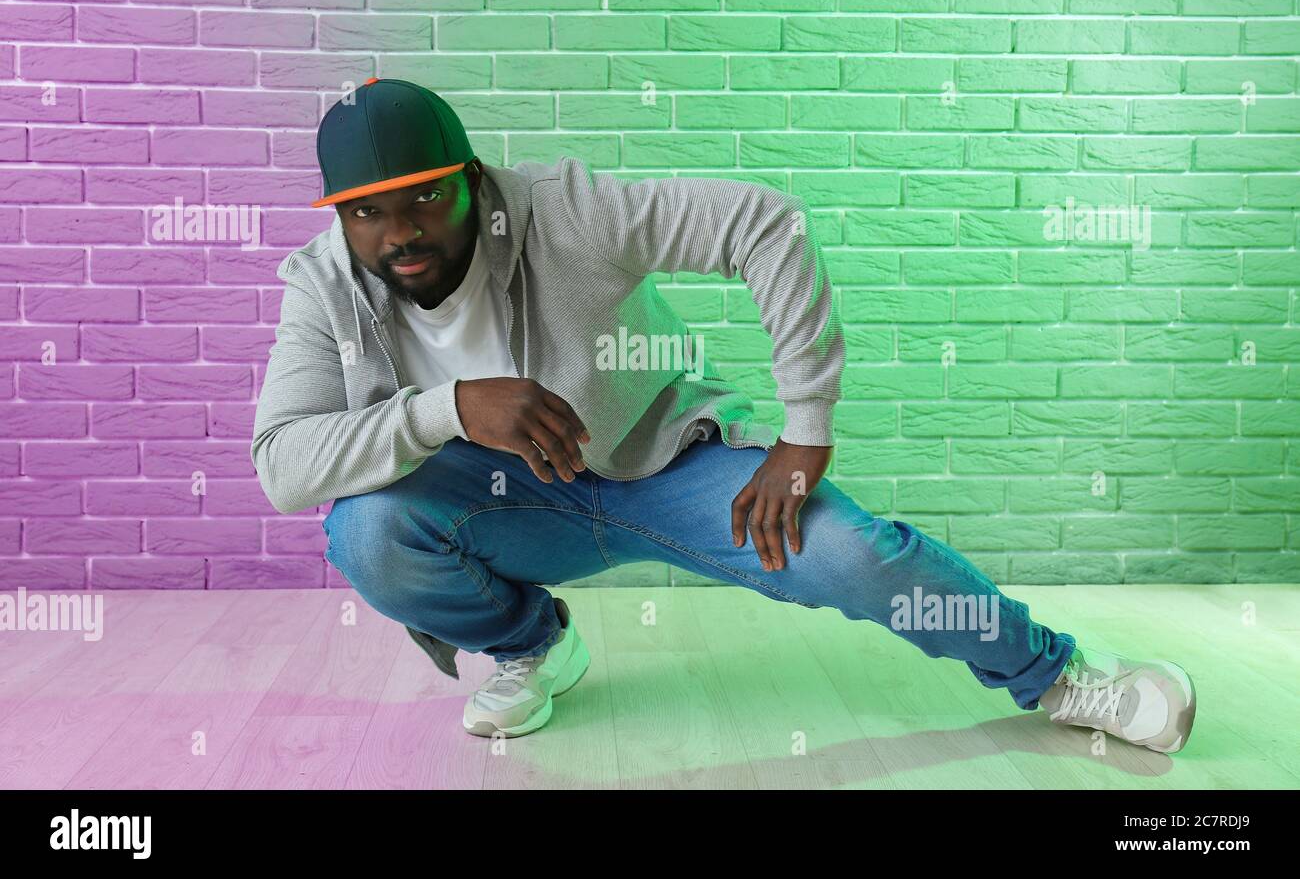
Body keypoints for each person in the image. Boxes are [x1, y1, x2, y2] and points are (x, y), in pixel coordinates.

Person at [251, 78, 1196, 752]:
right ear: (340, 218)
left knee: (853, 554)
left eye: (425, 196)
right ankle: (535, 646)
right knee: (367, 531)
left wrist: (805, 428)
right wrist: (447, 407)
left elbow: (764, 221)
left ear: (471, 177)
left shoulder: (566, 212)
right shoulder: (321, 288)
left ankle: (1059, 675)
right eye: (368, 212)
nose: (401, 231)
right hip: (514, 505)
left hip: (670, 470)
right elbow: (284, 463)